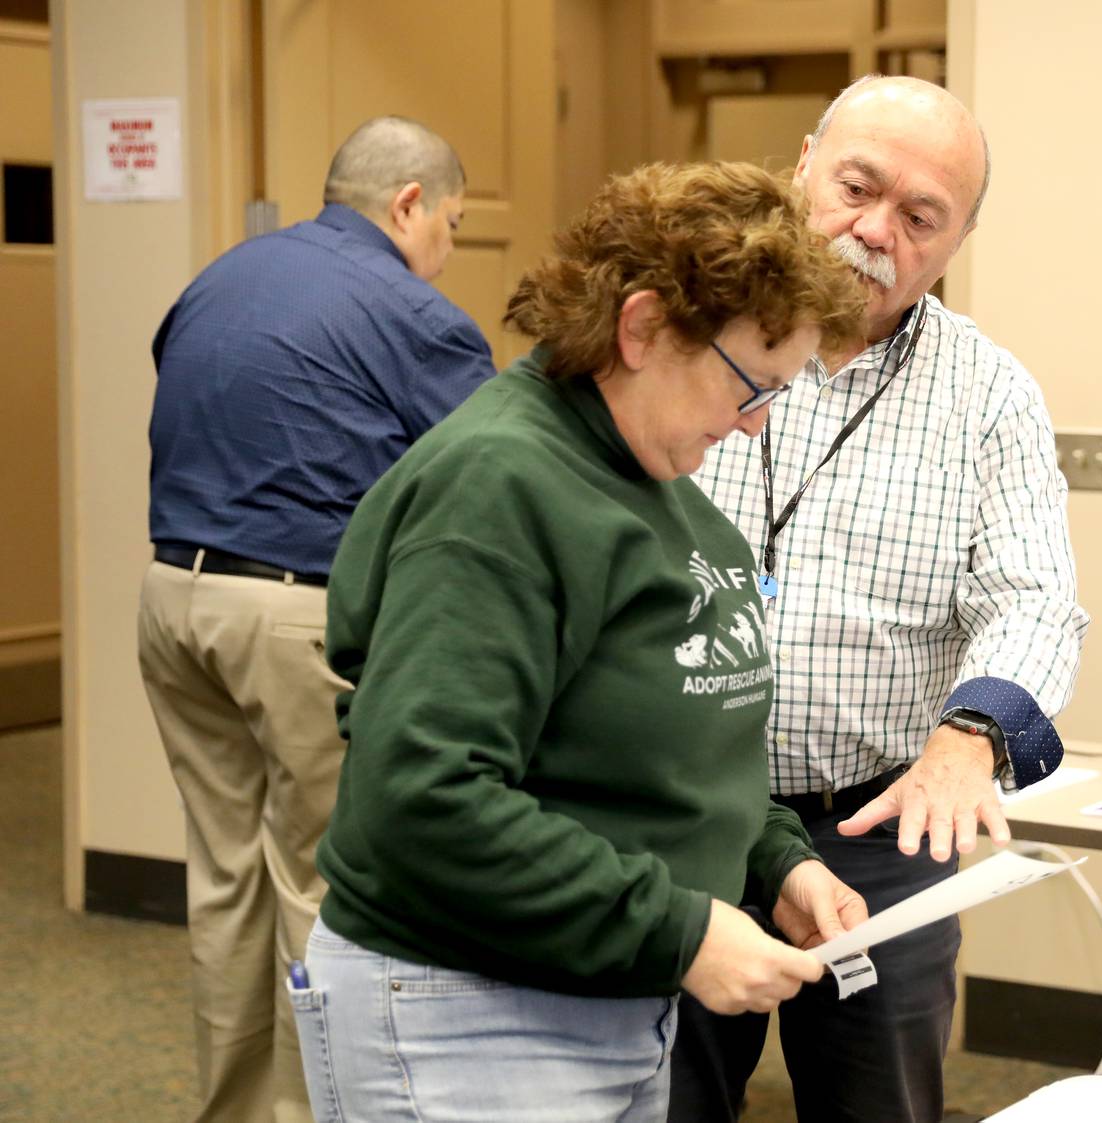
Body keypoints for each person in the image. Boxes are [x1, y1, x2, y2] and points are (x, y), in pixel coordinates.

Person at [288, 161, 871, 1123]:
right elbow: (422, 798)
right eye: (748, 386)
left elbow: (665, 743)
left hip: (607, 999)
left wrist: (776, 860)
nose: (755, 425)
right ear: (641, 328)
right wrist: (680, 929)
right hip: (464, 1009)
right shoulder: (500, 485)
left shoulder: (653, 478)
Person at [673, 76, 1092, 1123]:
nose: (874, 232)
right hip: (683, 810)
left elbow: (1035, 601)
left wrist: (970, 736)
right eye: (857, 188)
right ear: (802, 165)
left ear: (956, 243)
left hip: (876, 827)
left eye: (920, 218)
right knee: (659, 1097)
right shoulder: (687, 342)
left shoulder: (988, 393)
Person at [136, 116, 495, 1123]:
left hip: (173, 603)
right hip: (292, 617)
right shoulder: (413, 314)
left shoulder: (223, 275)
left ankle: (240, 1112)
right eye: (452, 224)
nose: (447, 250)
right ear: (409, 204)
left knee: (225, 880)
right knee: (320, 887)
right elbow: (497, 467)